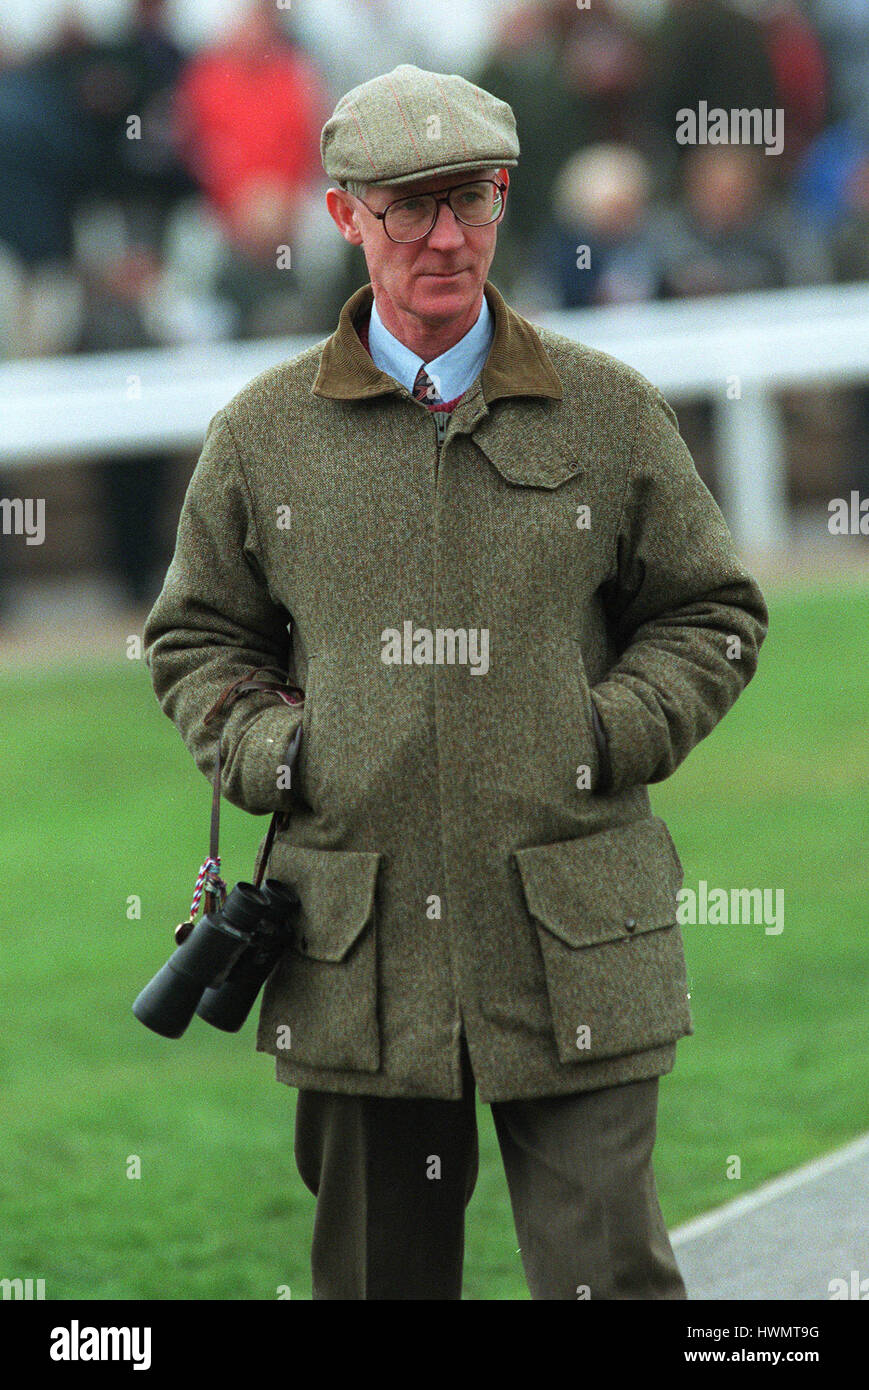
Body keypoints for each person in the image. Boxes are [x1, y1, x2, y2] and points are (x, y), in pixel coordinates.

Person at [143, 64, 769, 1301]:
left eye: (472, 200)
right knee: (381, 1285)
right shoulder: (262, 434)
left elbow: (708, 611)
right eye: (407, 206)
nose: (445, 236)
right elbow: (195, 639)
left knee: (610, 1278)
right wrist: (286, 755)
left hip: (576, 931)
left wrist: (607, 730)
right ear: (341, 217)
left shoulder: (606, 411)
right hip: (355, 951)